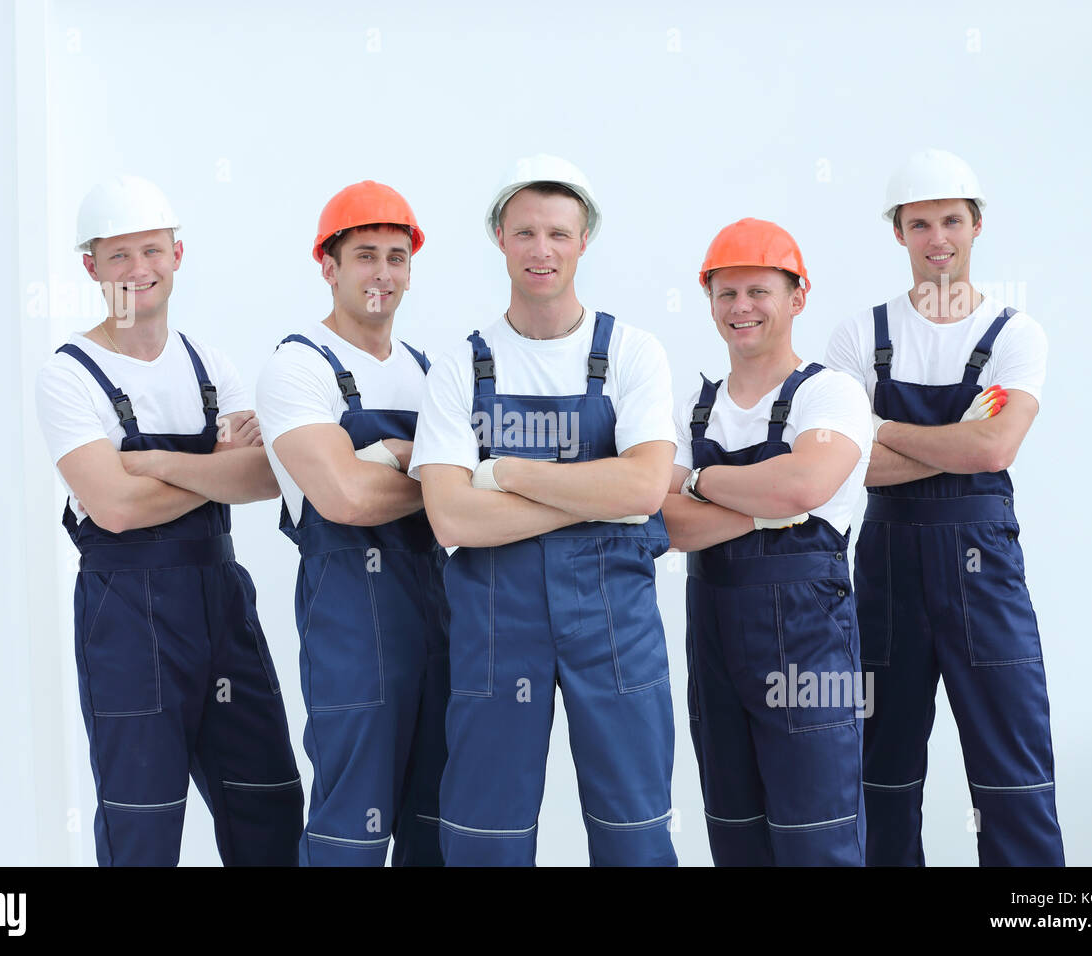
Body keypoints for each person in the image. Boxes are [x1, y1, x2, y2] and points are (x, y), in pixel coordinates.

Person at [411, 154, 677, 866]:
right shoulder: (461, 367)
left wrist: (505, 474)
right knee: (484, 836)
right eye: (525, 232)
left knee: (637, 835)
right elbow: (453, 520)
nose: (542, 250)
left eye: (558, 234)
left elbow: (646, 490)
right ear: (500, 237)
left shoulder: (632, 352)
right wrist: (596, 496)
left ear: (583, 241)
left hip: (616, 622)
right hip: (498, 624)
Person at [34, 175, 303, 866]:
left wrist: (150, 465)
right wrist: (214, 461)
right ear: (89, 267)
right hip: (128, 618)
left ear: (177, 255)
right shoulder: (68, 374)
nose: (138, 270)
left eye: (150, 251)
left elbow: (267, 475)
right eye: (117, 256)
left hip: (222, 606)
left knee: (268, 800)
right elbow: (114, 509)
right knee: (142, 823)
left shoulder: (206, 361)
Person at [824, 148, 1064, 866]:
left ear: (977, 225)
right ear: (897, 232)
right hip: (887, 574)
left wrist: (883, 430)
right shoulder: (858, 335)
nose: (937, 239)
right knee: (880, 768)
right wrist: (954, 437)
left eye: (951, 220)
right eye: (919, 223)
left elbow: (995, 451)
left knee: (1012, 767)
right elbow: (840, 463)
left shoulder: (1015, 334)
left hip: (983, 573)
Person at [663, 218, 872, 866]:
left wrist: (696, 481)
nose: (741, 308)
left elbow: (807, 482)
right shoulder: (692, 407)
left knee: (820, 835)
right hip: (716, 644)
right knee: (734, 830)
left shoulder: (830, 392)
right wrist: (766, 508)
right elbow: (662, 523)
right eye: (726, 294)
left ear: (797, 296)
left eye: (759, 291)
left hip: (810, 644)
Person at [255, 181, 449, 866]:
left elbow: (464, 488)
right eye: (366, 255)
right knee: (350, 826)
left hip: (440, 609)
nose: (383, 274)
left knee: (437, 820)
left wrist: (387, 458)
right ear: (328, 265)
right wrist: (433, 469)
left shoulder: (432, 372)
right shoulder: (298, 366)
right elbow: (343, 497)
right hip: (352, 621)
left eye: (397, 257)